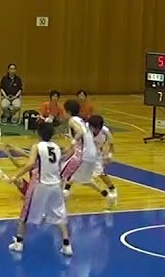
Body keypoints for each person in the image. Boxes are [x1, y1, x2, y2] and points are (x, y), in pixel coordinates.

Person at [7, 122, 73, 256]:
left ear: (38, 133)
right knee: (59, 215)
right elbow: (64, 157)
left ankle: (18, 243)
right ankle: (67, 246)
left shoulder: (36, 146)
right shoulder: (57, 147)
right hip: (55, 185)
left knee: (25, 214)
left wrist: (15, 176)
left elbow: (30, 164)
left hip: (40, 185)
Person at [59, 98, 100, 198]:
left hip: (83, 155)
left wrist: (70, 145)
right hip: (90, 154)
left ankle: (59, 197)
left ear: (68, 111)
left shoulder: (72, 120)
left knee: (60, 174)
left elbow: (80, 133)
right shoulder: (81, 120)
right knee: (81, 179)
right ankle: (107, 195)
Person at [88, 115, 118, 206]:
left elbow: (111, 145)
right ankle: (66, 189)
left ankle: (112, 189)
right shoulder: (85, 128)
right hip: (84, 153)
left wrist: (109, 155)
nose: (92, 129)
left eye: (94, 127)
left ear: (99, 127)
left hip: (97, 155)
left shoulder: (106, 132)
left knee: (100, 173)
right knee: (73, 170)